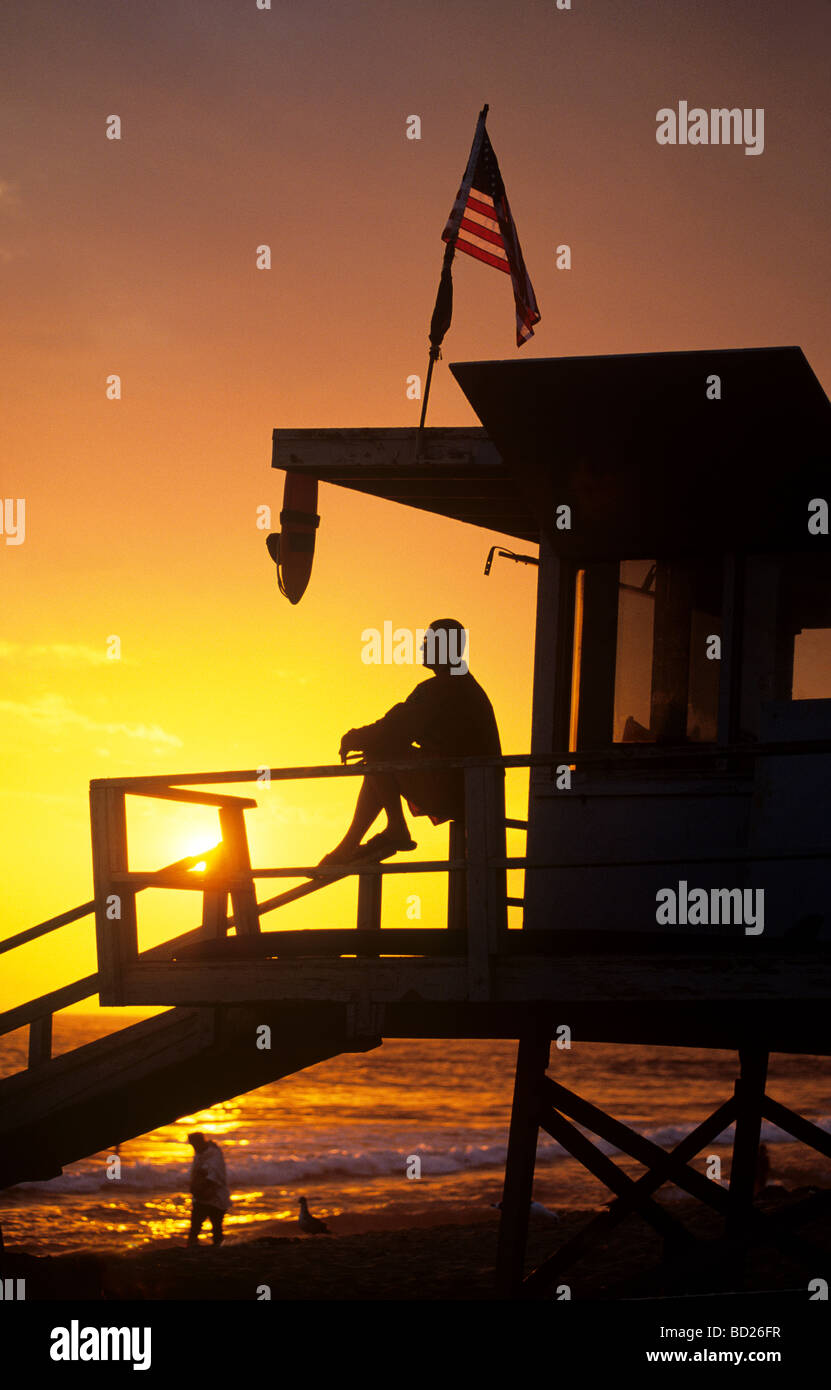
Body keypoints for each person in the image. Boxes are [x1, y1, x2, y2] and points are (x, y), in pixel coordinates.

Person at [319, 618, 501, 866]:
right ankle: (353, 843)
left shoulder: (442, 687)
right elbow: (400, 726)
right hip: (475, 790)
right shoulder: (463, 685)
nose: (422, 648)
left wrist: (354, 737)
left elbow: (395, 728)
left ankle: (390, 831)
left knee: (378, 755)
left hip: (458, 789)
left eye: (427, 641)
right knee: (380, 760)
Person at [186, 1132, 230, 1247]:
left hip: (215, 1197)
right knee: (195, 1227)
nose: (193, 1147)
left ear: (200, 1142)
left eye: (194, 1144)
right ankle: (193, 1247)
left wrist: (201, 1188)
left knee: (216, 1229)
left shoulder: (213, 1154)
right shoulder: (201, 1153)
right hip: (201, 1197)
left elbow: (214, 1176)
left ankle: (217, 1249)